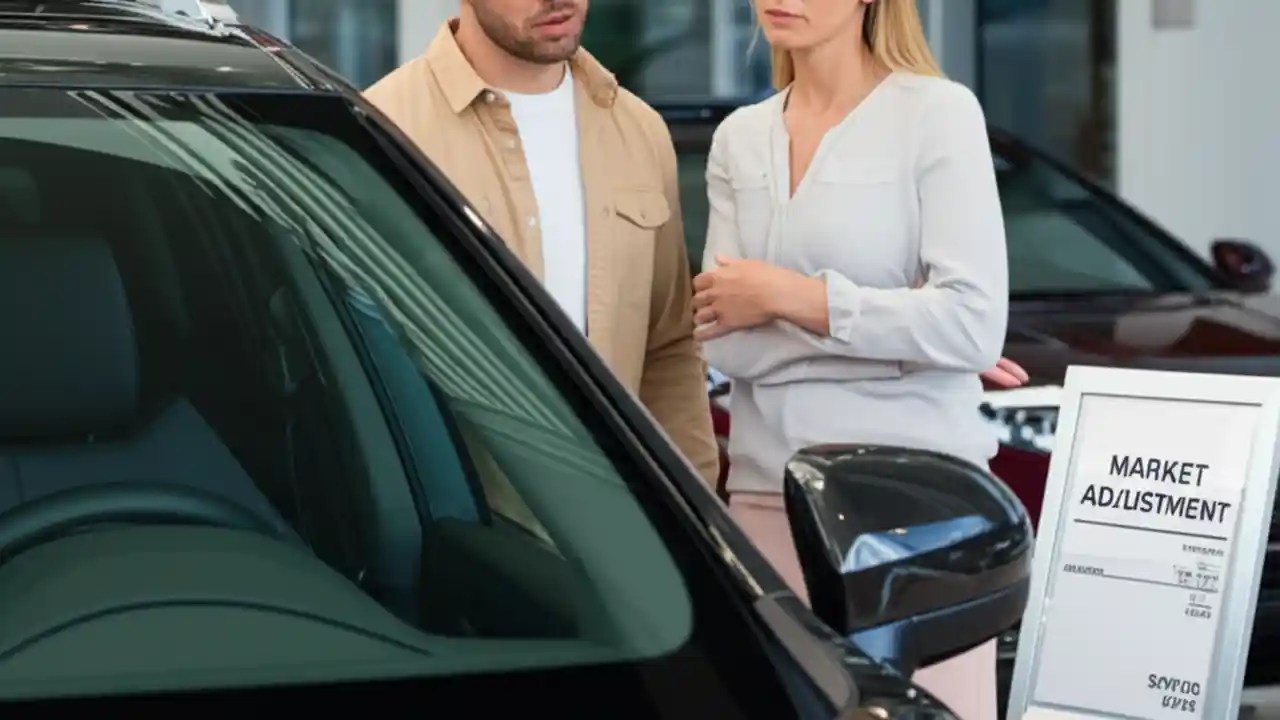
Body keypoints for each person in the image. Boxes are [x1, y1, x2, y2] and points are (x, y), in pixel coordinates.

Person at [691, 0, 1012, 718]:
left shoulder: (937, 114)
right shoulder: (739, 139)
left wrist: (787, 297)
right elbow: (727, 337)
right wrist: (899, 337)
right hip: (766, 498)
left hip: (918, 514)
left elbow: (971, 325)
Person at [362, 0, 720, 485]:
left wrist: (692, 517)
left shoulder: (639, 130)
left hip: (628, 528)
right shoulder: (383, 131)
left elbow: (669, 348)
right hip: (474, 534)